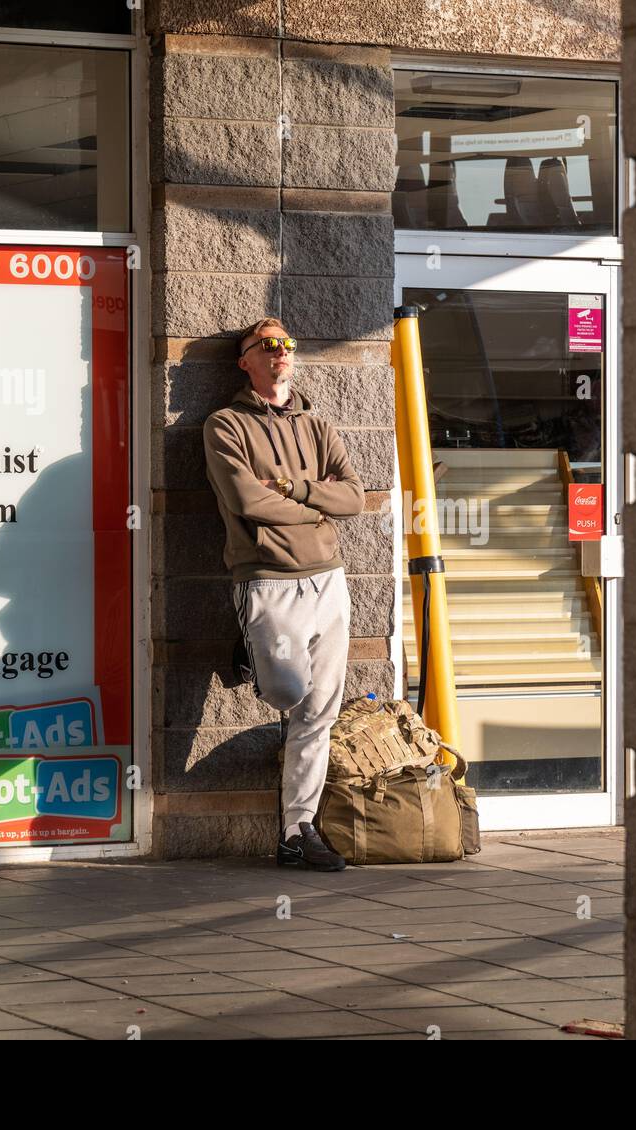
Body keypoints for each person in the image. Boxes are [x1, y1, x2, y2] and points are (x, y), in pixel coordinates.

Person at [202, 316, 364, 871]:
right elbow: (248, 501)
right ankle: (253, 649)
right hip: (267, 578)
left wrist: (296, 489)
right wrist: (316, 507)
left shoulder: (318, 427)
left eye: (288, 344)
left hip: (329, 578)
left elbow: (354, 499)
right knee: (287, 693)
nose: (281, 352)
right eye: (267, 345)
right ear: (244, 360)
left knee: (319, 712)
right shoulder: (224, 425)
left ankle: (297, 832)